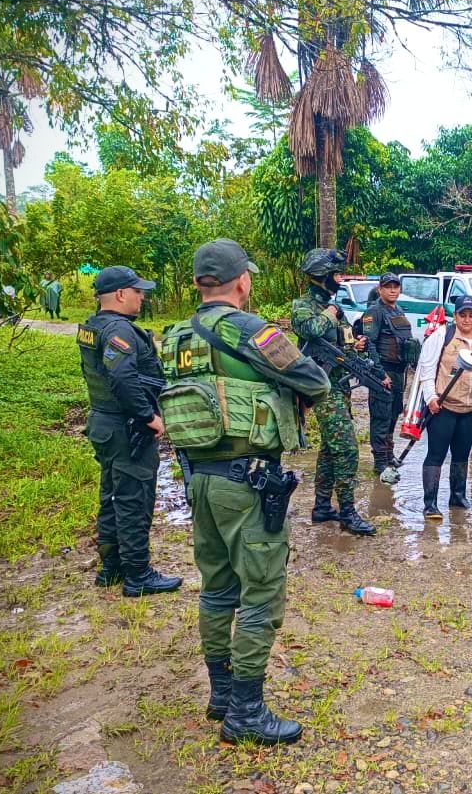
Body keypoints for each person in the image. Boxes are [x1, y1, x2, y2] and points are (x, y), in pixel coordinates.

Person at [160, 238, 331, 746]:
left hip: (199, 478)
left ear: (196, 283)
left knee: (216, 589)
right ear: (244, 281)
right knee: (260, 594)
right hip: (248, 481)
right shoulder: (250, 329)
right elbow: (315, 380)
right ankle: (247, 714)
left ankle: (221, 695)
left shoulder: (173, 337)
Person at [76, 266, 183, 596]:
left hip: (104, 424)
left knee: (111, 495)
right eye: (138, 292)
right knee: (134, 500)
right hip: (126, 428)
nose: (142, 297)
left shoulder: (92, 326)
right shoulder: (119, 331)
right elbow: (122, 377)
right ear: (121, 294)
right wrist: (148, 416)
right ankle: (138, 574)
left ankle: (112, 568)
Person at [290, 248, 378, 536]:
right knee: (347, 449)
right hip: (321, 388)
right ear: (321, 276)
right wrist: (329, 315)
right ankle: (348, 512)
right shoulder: (305, 305)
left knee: (330, 449)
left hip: (339, 386)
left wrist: (356, 345)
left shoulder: (334, 308)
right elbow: (308, 330)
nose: (340, 279)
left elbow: (341, 342)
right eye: (336, 274)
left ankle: (323, 506)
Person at [416, 295, 472, 516]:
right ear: (455, 316)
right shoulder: (442, 336)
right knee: (436, 454)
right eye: (462, 315)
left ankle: (458, 497)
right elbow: (426, 369)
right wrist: (430, 398)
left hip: (471, 409)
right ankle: (430, 504)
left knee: (462, 455)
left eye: (471, 315)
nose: (466, 319)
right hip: (443, 408)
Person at [360, 273, 420, 474]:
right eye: (388, 287)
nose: (393, 290)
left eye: (396, 286)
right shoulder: (374, 312)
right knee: (381, 417)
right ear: (380, 289)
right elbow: (369, 345)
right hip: (383, 372)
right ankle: (379, 462)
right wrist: (379, 374)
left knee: (394, 414)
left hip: (399, 373)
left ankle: (388, 455)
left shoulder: (398, 310)